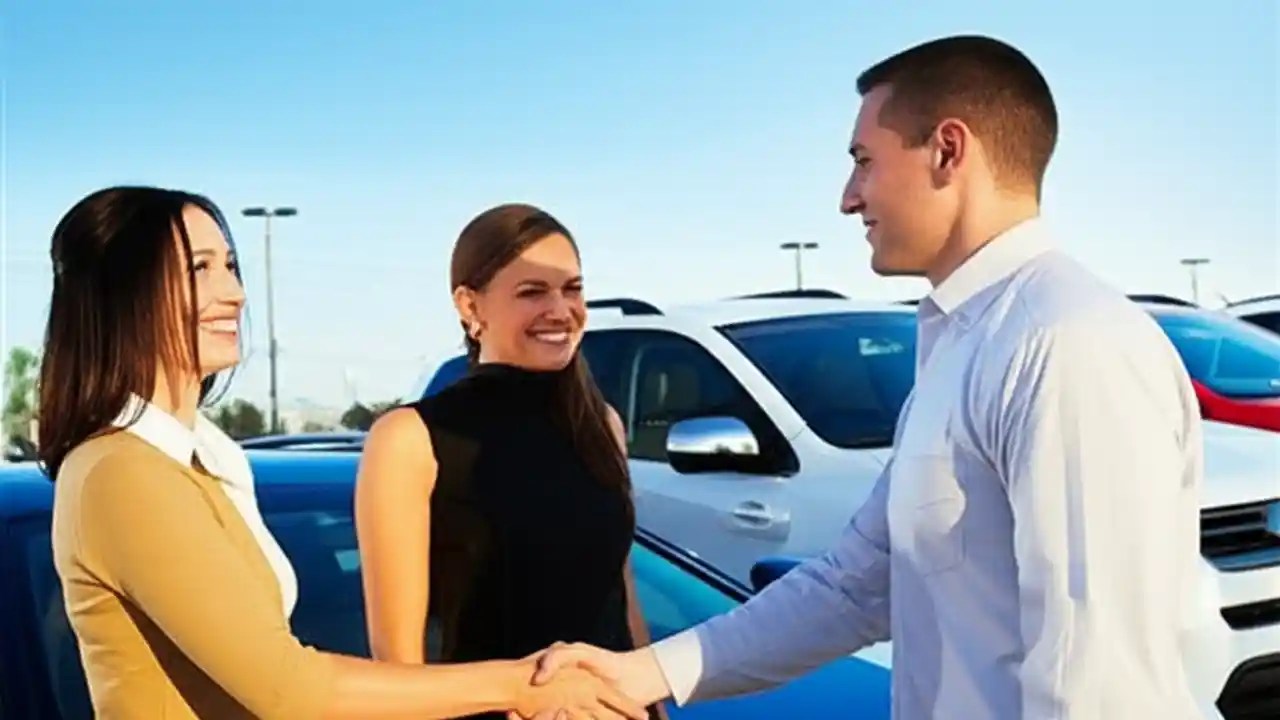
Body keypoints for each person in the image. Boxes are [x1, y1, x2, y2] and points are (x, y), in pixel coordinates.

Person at [530, 34, 1205, 719]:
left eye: (863, 162)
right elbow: (856, 585)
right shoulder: (964, 342)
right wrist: (639, 674)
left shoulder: (1063, 343)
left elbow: (1100, 687)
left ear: (948, 150)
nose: (848, 199)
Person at [41, 186, 647, 720]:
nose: (235, 294)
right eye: (200, 269)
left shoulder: (205, 460)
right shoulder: (120, 472)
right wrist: (524, 684)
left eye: (231, 266)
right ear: (121, 293)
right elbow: (290, 690)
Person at [354, 202, 667, 720]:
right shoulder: (409, 440)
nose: (560, 309)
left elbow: (622, 600)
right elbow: (397, 664)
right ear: (469, 306)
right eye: (532, 292)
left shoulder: (600, 423)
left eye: (572, 289)